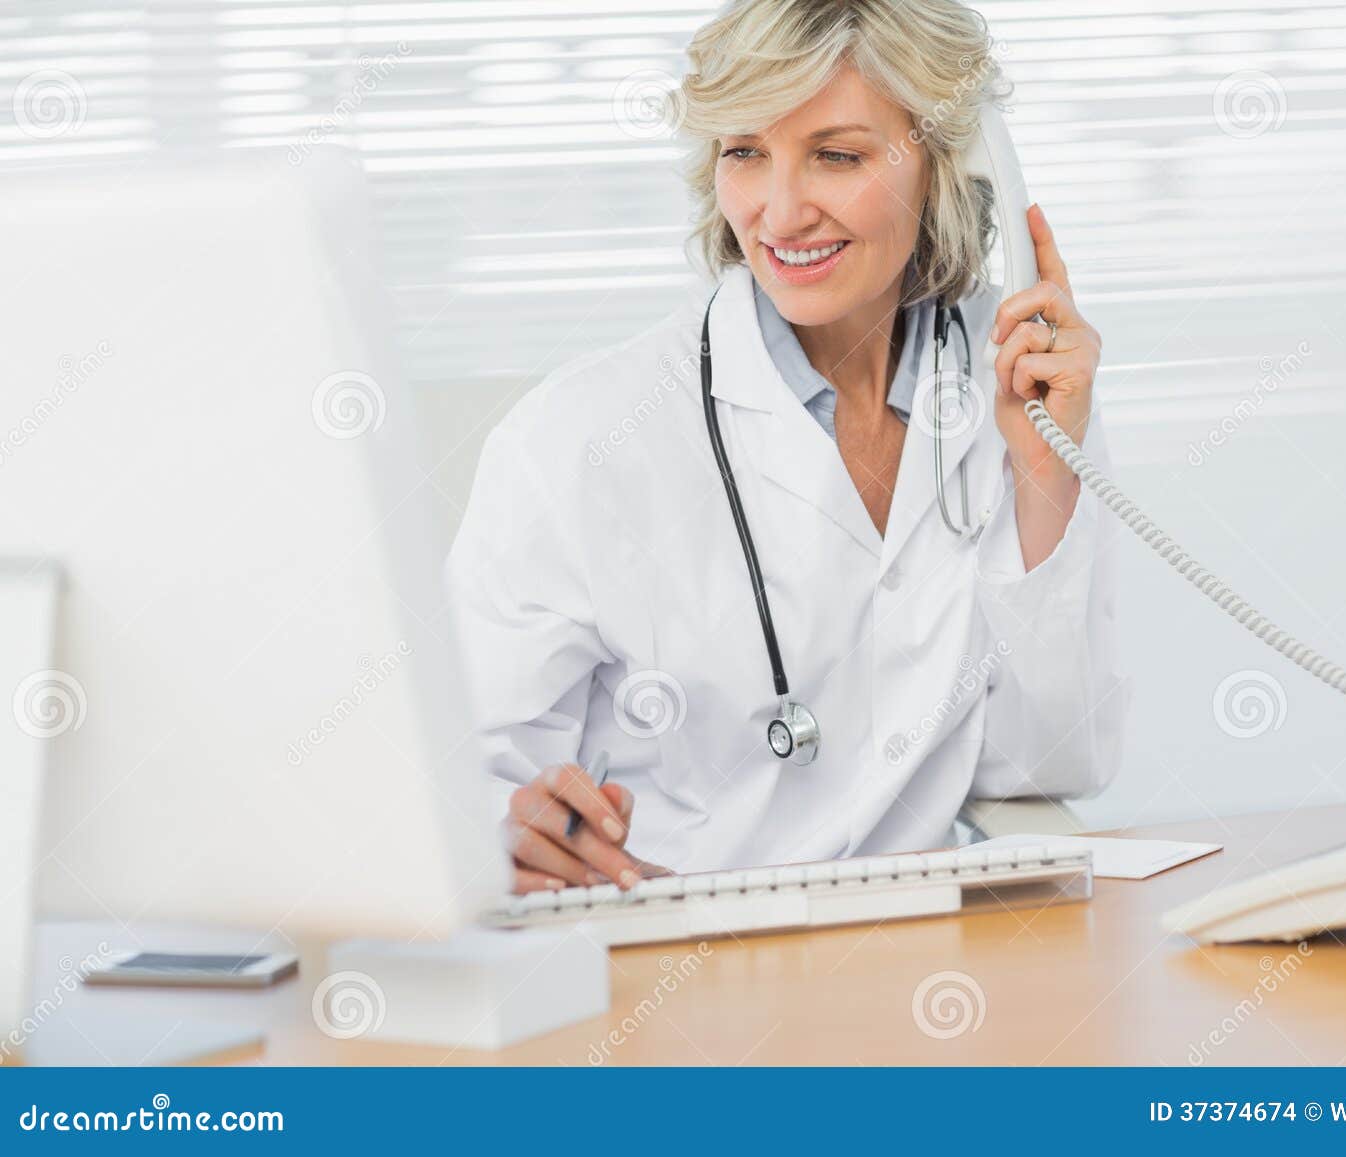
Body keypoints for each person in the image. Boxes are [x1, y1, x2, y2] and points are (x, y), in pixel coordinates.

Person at [445, 0, 1129, 893]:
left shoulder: (1020, 391)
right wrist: (500, 829)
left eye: (836, 155)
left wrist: (1044, 481)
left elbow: (1049, 768)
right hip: (673, 964)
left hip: (929, 956)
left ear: (948, 166)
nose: (780, 211)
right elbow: (459, 788)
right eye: (744, 153)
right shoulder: (574, 438)